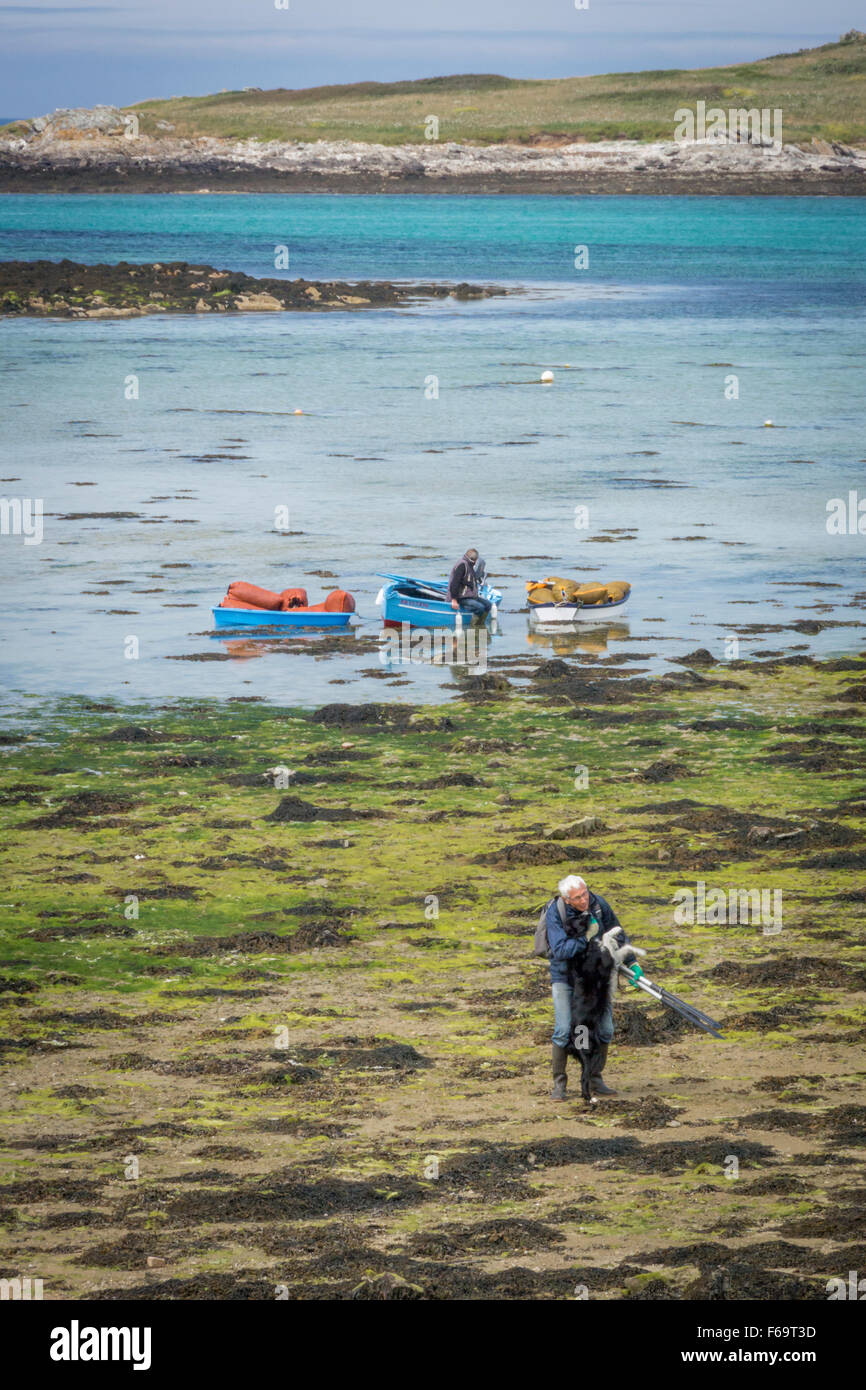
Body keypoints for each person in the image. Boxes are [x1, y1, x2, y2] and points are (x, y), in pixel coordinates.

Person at [546, 873, 629, 1100]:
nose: (584, 900)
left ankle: (594, 1078)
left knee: (605, 1030)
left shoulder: (598, 904)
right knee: (564, 1030)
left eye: (585, 894)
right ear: (566, 900)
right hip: (565, 978)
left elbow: (619, 933)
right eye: (577, 898)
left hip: (595, 980)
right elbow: (561, 950)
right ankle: (559, 1084)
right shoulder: (555, 913)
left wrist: (632, 962)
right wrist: (586, 938)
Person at [448, 548, 491, 619]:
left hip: (471, 596)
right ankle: (474, 624)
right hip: (462, 597)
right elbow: (454, 583)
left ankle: (480, 622)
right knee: (480, 607)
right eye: (476, 560)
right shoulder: (462, 565)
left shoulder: (470, 565)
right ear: (473, 559)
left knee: (488, 605)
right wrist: (454, 600)